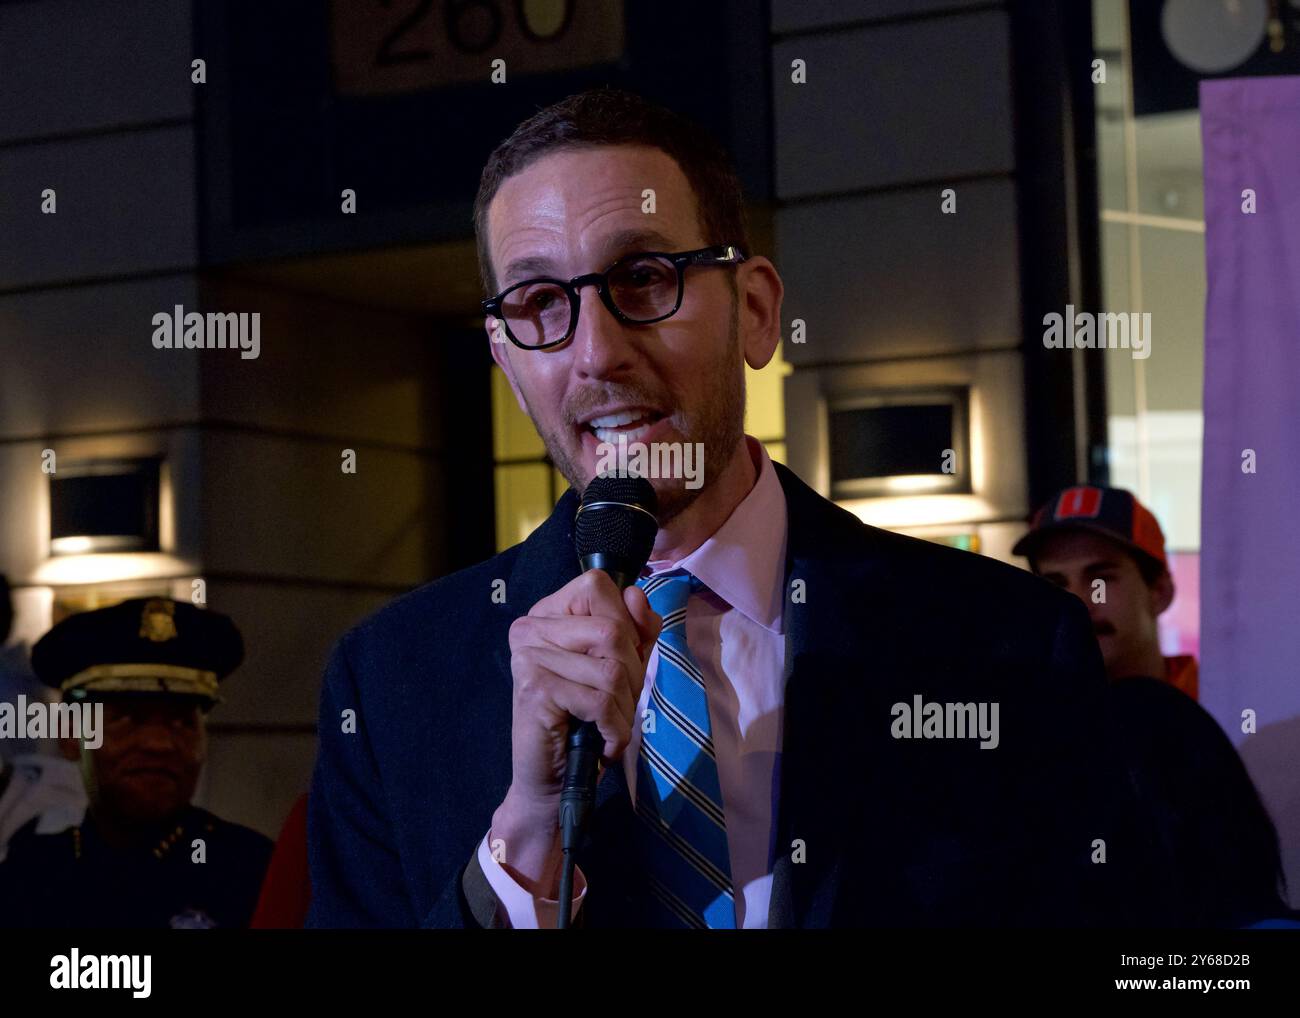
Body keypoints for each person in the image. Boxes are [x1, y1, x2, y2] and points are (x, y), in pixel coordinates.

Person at [307, 88, 1117, 929]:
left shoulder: (1008, 646)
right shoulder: (392, 682)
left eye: (644, 278)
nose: (597, 353)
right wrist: (529, 834)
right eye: (542, 302)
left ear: (756, 312)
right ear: (507, 361)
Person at [0, 597, 272, 928]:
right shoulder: (34, 869)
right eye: (129, 719)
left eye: (182, 722)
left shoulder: (251, 872)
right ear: (71, 736)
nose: (158, 744)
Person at [1013, 485, 1198, 696]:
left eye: (1100, 579)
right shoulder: (1022, 716)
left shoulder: (1226, 703)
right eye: (1056, 584)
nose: (1078, 602)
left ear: (1160, 592)